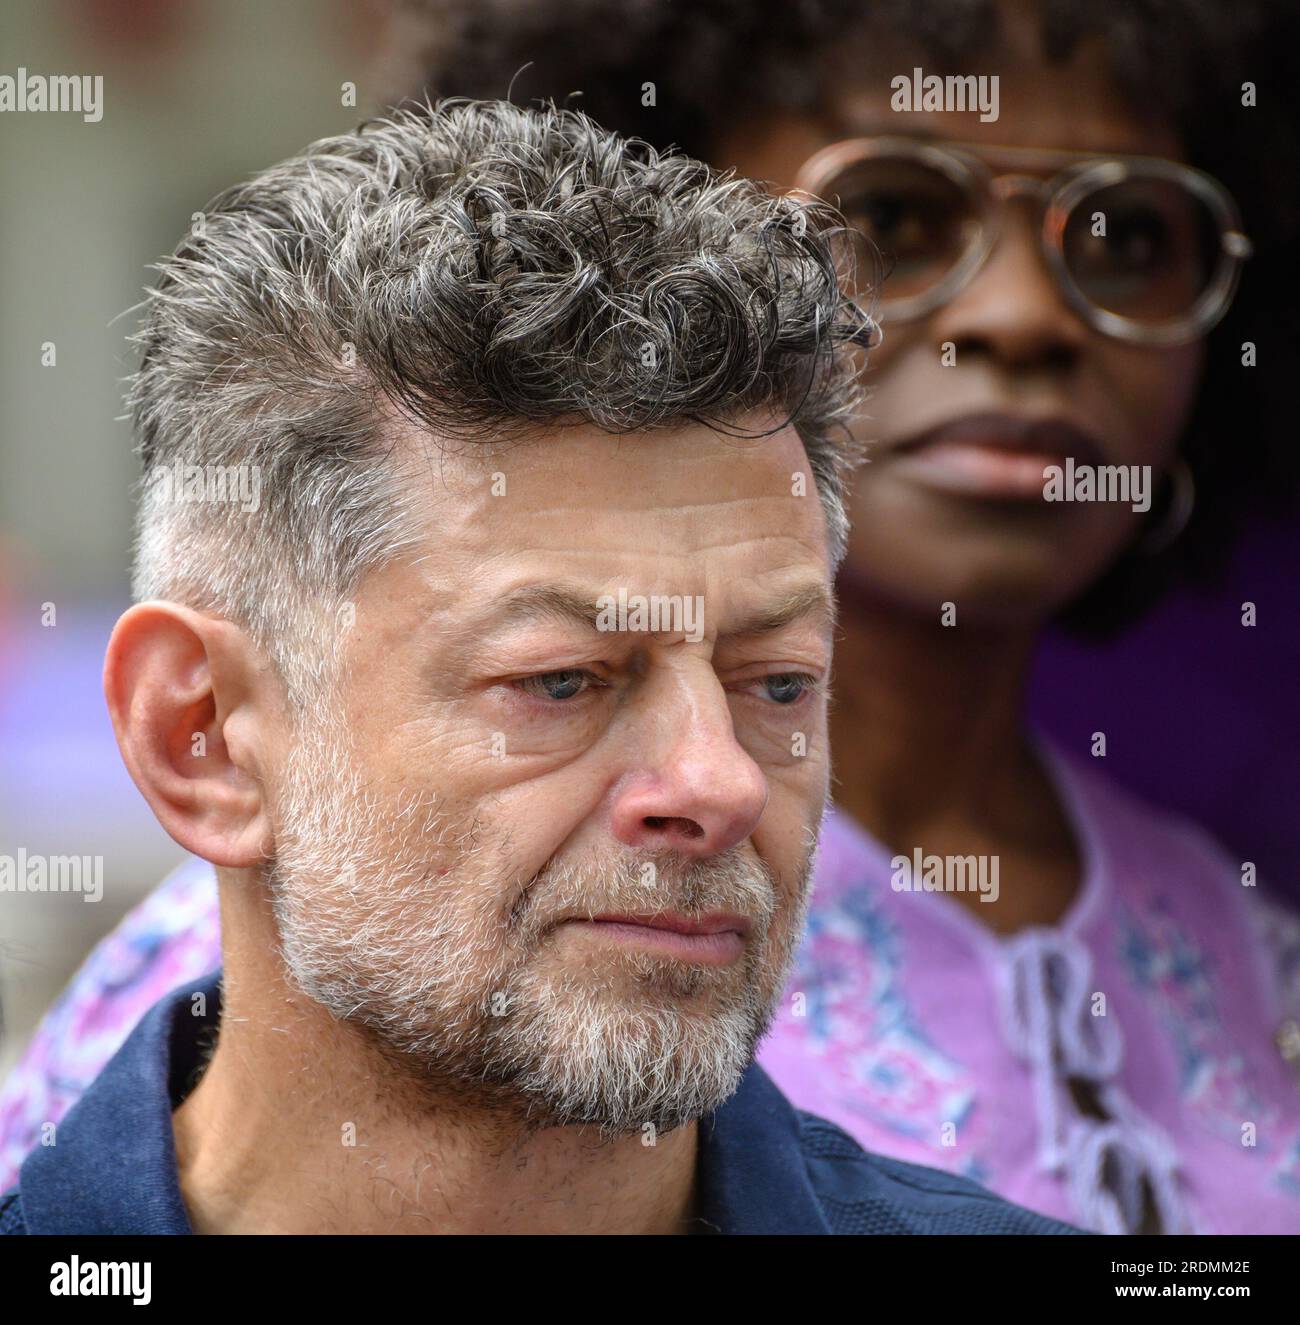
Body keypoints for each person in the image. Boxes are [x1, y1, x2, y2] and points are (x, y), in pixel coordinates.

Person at [4, 0, 1298, 1232]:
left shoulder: (1228, 926)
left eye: (781, 681)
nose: (718, 782)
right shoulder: (275, 936)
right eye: (561, 677)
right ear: (203, 739)